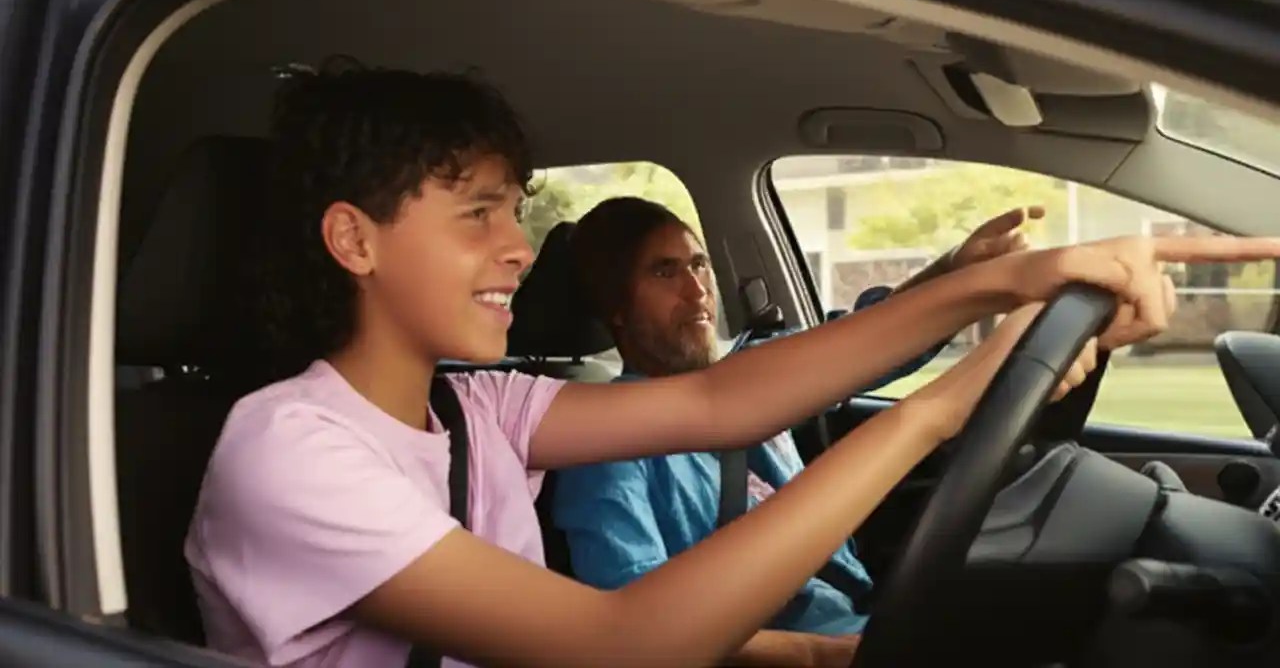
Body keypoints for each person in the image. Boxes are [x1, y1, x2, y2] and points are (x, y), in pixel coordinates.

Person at [183, 59, 1280, 668]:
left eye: (513, 212)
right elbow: (619, 644)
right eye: (477, 215)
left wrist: (1000, 289)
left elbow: (719, 399)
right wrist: (933, 413)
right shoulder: (286, 447)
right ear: (353, 240)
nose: (519, 246)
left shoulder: (480, 407)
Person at [551, 196, 1043, 665]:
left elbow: (867, 338)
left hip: (863, 621)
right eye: (664, 271)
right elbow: (635, 629)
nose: (698, 290)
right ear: (616, 305)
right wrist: (816, 655)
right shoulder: (604, 444)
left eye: (699, 264)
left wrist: (955, 270)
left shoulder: (757, 372)